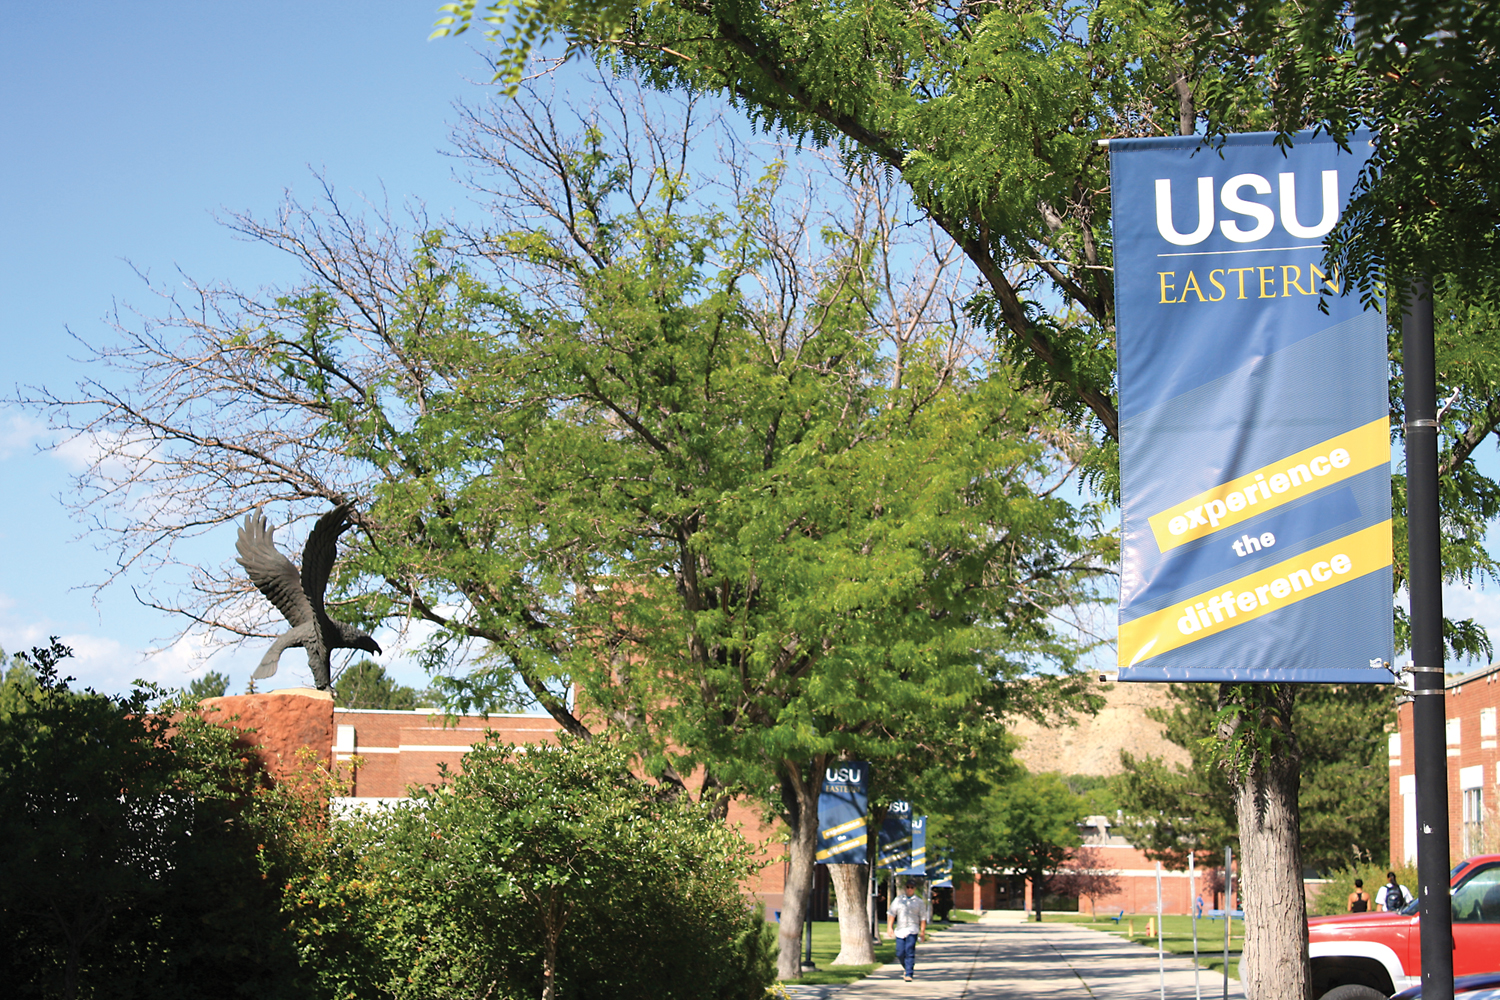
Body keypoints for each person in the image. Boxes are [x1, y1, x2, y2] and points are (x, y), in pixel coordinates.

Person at [886, 880, 928, 983]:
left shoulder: (919, 902)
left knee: (909, 951)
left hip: (912, 930)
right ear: (905, 888)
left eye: (911, 887)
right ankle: (907, 967)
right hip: (900, 930)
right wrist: (889, 927)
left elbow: (923, 917)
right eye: (908, 887)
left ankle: (909, 973)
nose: (909, 889)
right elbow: (892, 913)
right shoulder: (898, 900)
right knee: (900, 952)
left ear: (915, 889)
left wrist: (922, 932)